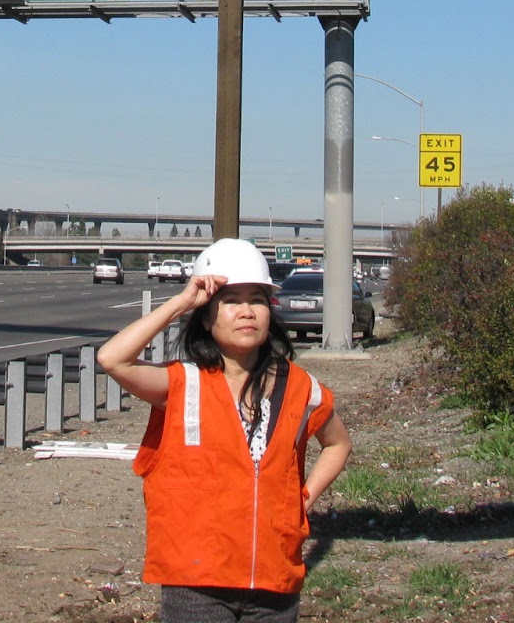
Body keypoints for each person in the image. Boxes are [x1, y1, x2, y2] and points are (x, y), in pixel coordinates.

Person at [98, 238, 353, 622]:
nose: (247, 312)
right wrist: (182, 302)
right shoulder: (183, 383)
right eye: (231, 301)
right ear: (206, 316)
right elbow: (112, 358)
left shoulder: (301, 388)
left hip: (274, 581)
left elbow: (338, 445)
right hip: (196, 584)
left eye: (257, 300)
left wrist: (302, 500)